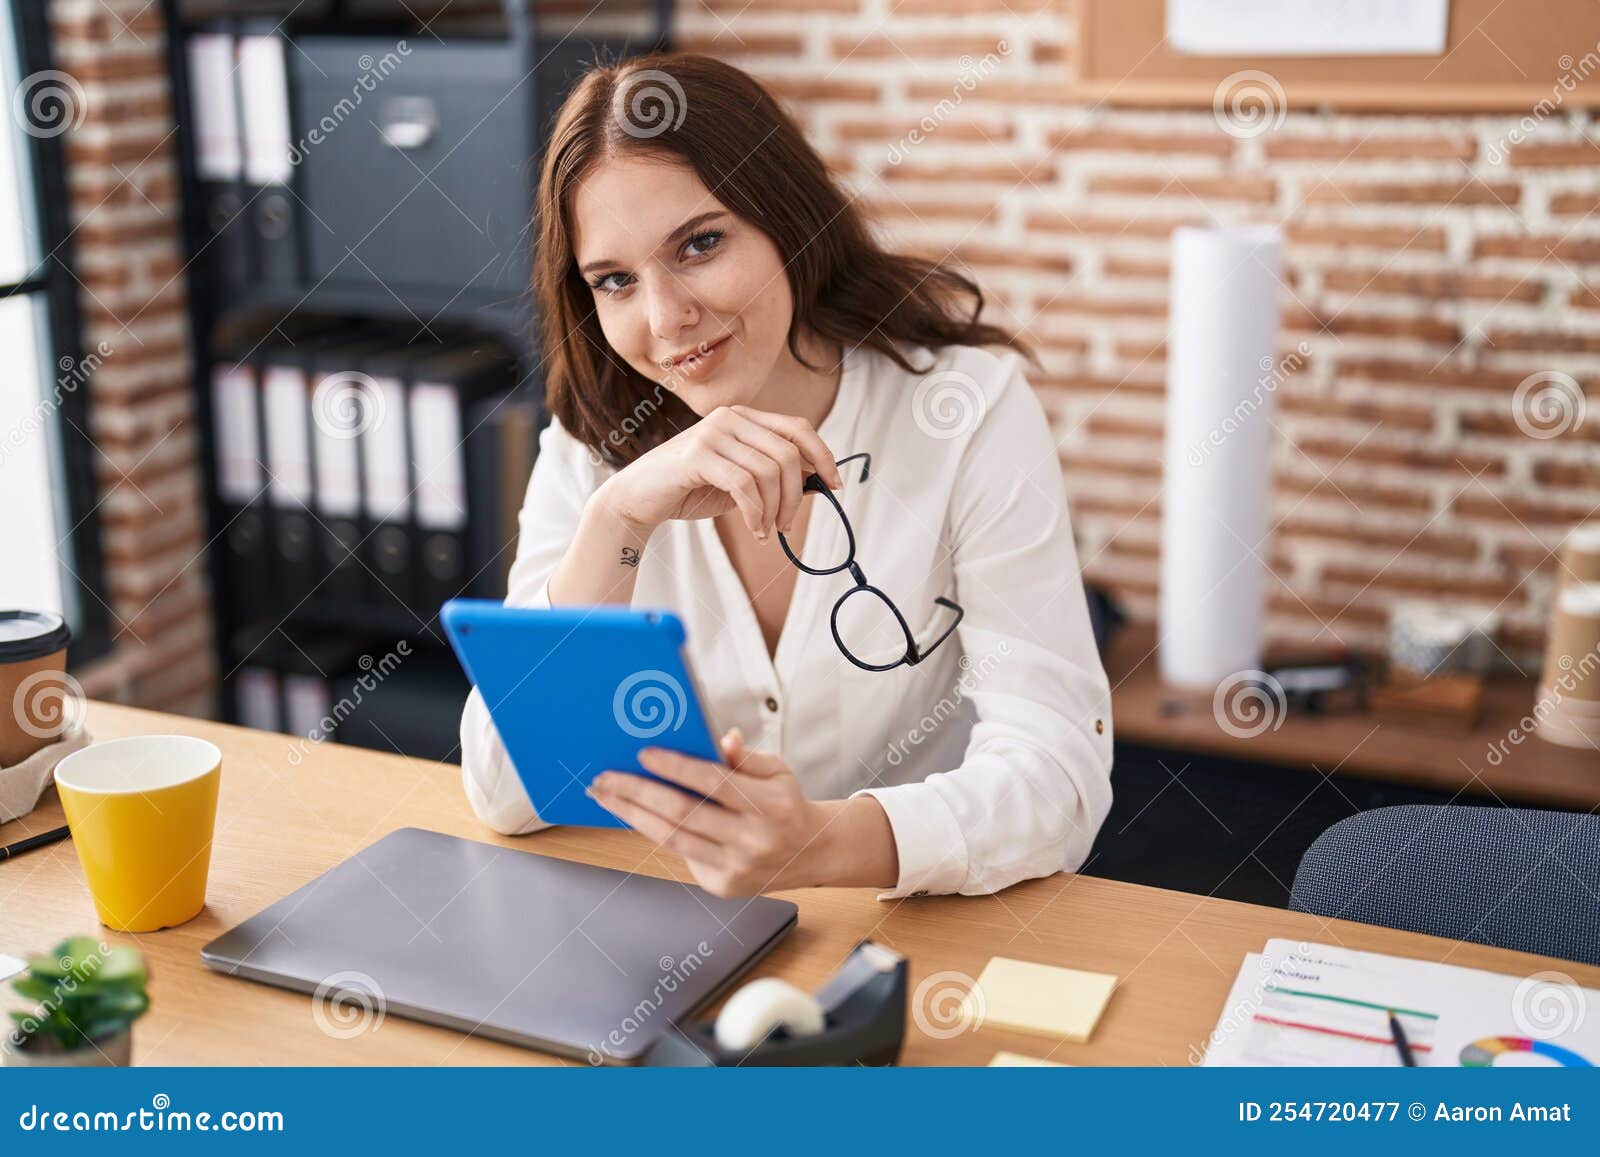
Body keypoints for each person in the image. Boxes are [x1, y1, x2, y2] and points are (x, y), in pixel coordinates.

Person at [459, 52, 1112, 901]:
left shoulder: (965, 410)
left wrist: (826, 844)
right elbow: (507, 791)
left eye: (699, 244)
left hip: (916, 930)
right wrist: (619, 518)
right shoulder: (594, 444)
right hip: (680, 927)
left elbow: (1059, 773)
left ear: (788, 218)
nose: (665, 320)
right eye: (615, 280)